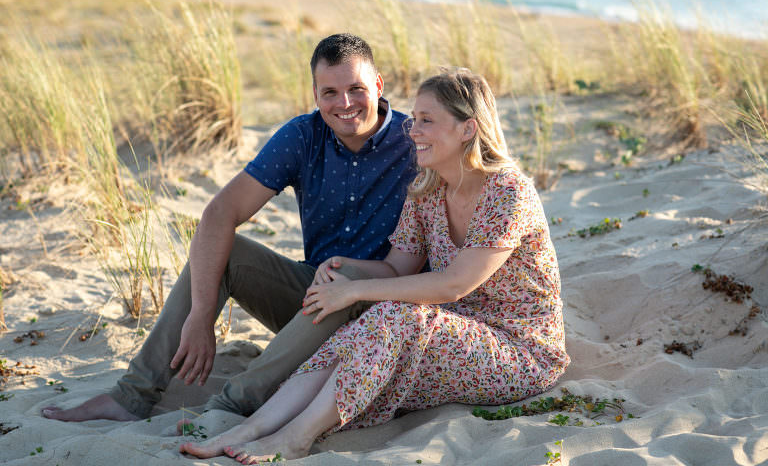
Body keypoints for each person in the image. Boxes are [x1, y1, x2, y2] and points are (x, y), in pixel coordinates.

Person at [178, 69, 570, 463]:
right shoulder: (428, 189)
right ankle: (254, 427)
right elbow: (398, 270)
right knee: (353, 333)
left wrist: (355, 290)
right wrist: (348, 270)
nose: (413, 130)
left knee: (391, 316)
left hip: (519, 349)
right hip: (452, 335)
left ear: (468, 129)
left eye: (427, 121)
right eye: (414, 118)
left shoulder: (507, 191)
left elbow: (454, 285)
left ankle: (297, 437)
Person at [41, 33, 417, 422]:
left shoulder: (416, 143)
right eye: (330, 92)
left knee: (345, 273)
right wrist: (202, 316)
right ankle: (130, 397)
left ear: (378, 85)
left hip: (385, 314)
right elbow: (219, 213)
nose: (344, 104)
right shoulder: (304, 135)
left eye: (356, 88)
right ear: (315, 94)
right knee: (229, 251)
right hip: (311, 306)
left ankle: (233, 404)